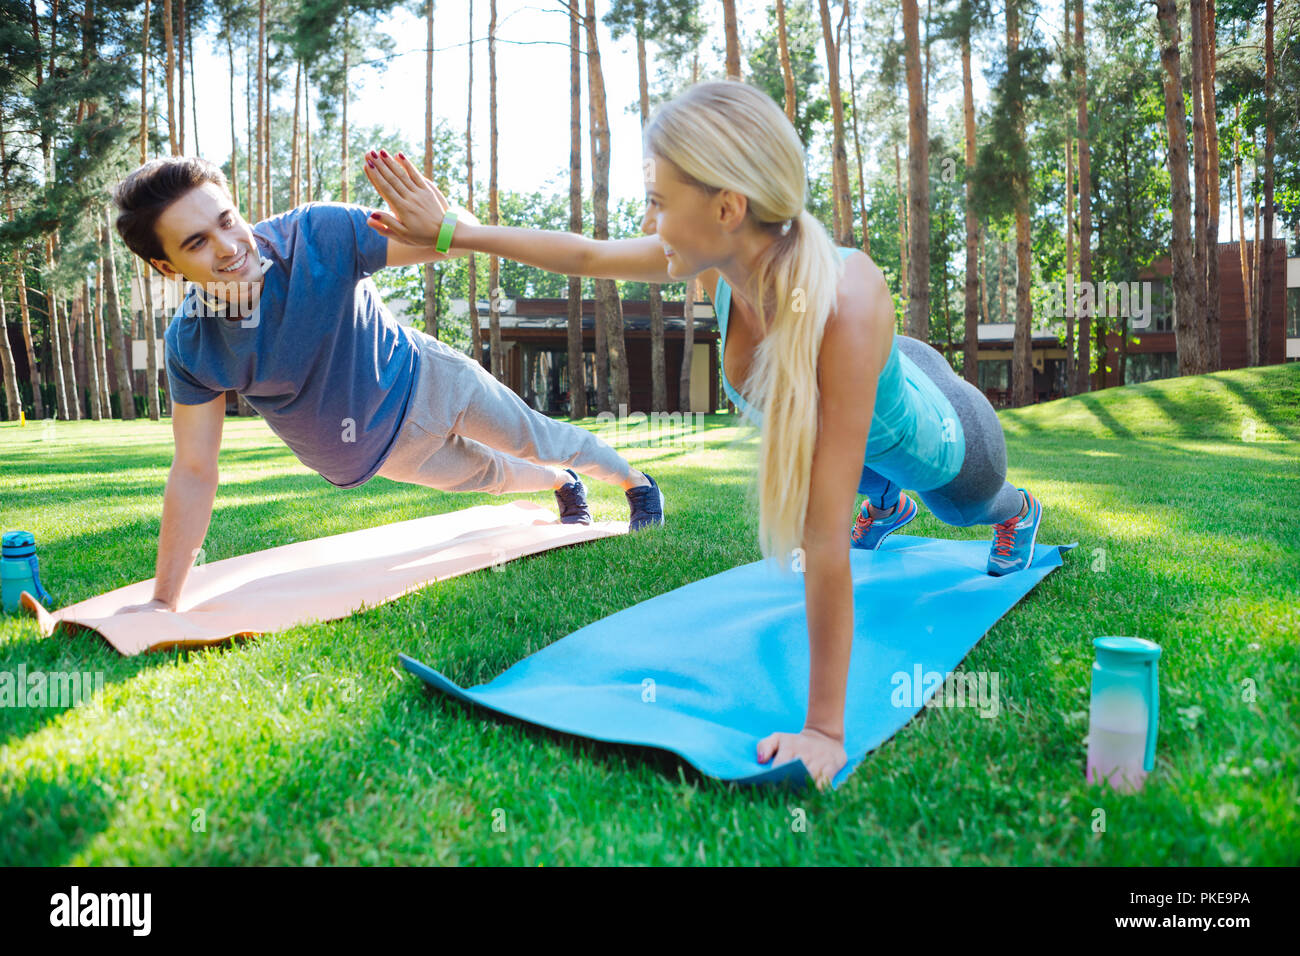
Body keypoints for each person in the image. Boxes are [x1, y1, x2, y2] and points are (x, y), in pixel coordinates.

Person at [361, 80, 1044, 789]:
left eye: (657, 201)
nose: (647, 217)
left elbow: (821, 536)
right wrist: (452, 232)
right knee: (864, 473)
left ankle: (1015, 511)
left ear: (726, 208)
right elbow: (587, 256)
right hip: (873, 411)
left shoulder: (844, 303)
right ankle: (890, 501)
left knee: (965, 506)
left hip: (942, 437)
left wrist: (824, 731)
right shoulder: (719, 260)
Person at [110, 156, 664, 615]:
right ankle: (561, 484)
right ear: (166, 265)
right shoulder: (194, 344)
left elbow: (454, 240)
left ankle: (636, 484)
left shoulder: (316, 234)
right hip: (377, 453)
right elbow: (194, 469)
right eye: (198, 242)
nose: (229, 246)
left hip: (432, 382)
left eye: (228, 220)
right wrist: (164, 600)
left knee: (534, 437)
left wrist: (440, 220)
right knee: (495, 478)